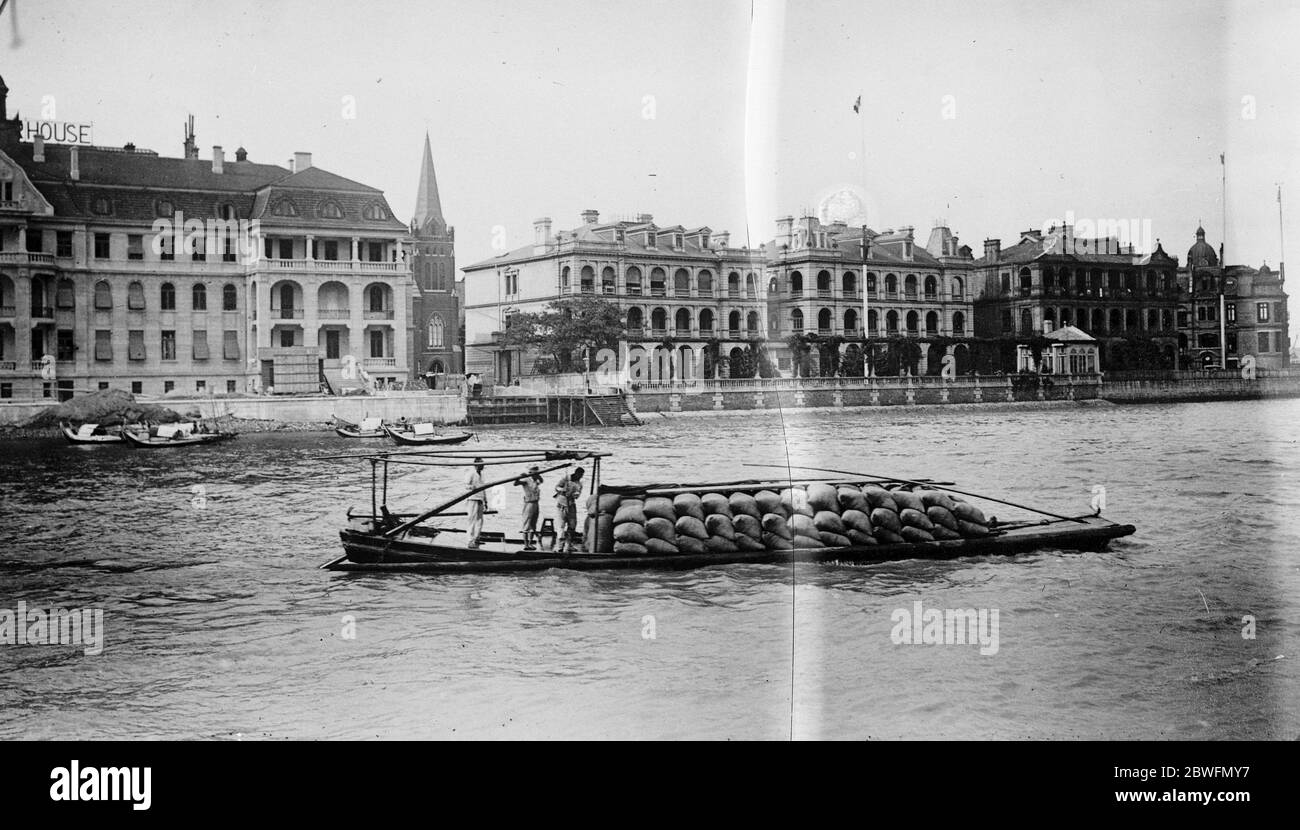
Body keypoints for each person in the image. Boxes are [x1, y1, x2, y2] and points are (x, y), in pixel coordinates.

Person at [554, 467, 585, 553]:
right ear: (576, 473)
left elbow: (577, 495)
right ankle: (560, 546)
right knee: (561, 526)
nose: (580, 477)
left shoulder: (579, 484)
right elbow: (557, 487)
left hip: (571, 505)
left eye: (582, 475)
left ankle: (569, 544)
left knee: (572, 526)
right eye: (579, 475)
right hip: (561, 504)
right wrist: (563, 491)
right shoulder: (566, 479)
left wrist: (574, 494)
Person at [513, 465, 543, 550]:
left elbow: (541, 480)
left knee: (533, 524)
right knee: (526, 524)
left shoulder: (536, 480)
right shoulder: (527, 480)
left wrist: (538, 475)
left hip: (536, 503)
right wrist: (518, 478)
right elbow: (515, 484)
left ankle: (530, 543)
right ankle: (526, 544)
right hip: (529, 503)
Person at [466, 457, 487, 549]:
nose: (483, 466)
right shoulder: (470, 473)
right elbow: (466, 485)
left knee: (480, 520)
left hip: (480, 499)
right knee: (472, 520)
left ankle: (477, 538)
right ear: (476, 465)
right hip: (473, 498)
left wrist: (486, 501)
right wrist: (472, 487)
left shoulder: (482, 475)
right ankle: (470, 541)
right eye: (481, 464)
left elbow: (483, 488)